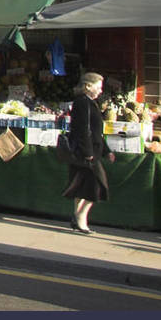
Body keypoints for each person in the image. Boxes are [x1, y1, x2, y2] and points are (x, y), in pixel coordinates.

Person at [62, 71, 115, 234]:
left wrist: (107, 151)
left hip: (91, 151)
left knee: (81, 186)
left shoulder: (90, 103)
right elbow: (83, 129)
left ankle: (79, 220)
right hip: (87, 153)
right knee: (97, 186)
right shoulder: (83, 103)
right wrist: (88, 153)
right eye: (98, 87)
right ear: (88, 86)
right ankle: (80, 217)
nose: (100, 91)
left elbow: (96, 131)